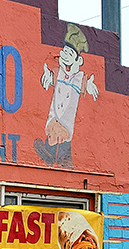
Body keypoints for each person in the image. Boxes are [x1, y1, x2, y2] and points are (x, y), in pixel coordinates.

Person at [33, 24, 98, 168]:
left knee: (63, 137)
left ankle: (64, 159)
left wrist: (89, 86)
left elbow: (85, 85)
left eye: (69, 53)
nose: (65, 56)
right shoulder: (59, 72)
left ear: (78, 61)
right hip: (55, 113)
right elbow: (51, 79)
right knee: (52, 132)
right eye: (64, 52)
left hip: (67, 117)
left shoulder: (79, 77)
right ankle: (50, 152)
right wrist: (48, 77)